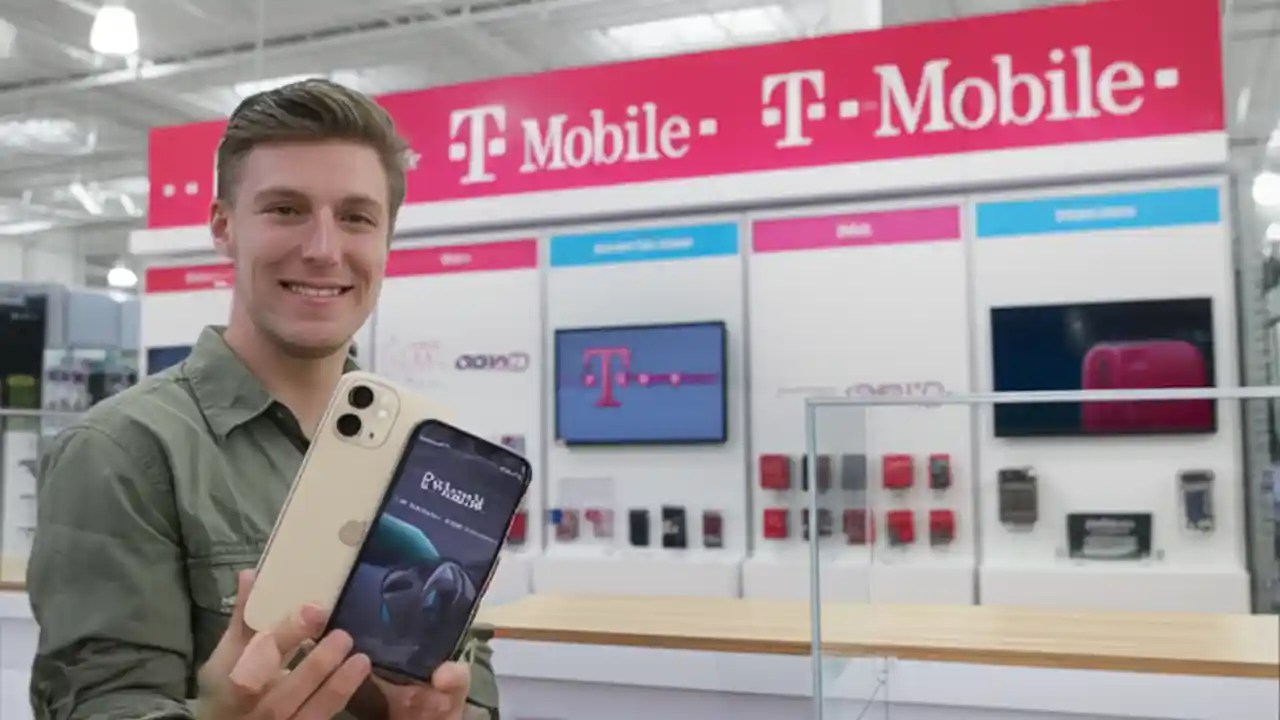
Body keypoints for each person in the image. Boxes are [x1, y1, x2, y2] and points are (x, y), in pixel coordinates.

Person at [25, 79, 500, 720]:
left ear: (387, 239)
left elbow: (477, 691)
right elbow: (100, 702)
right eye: (285, 210)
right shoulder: (123, 452)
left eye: (356, 217)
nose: (324, 249)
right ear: (224, 227)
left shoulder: (423, 456)